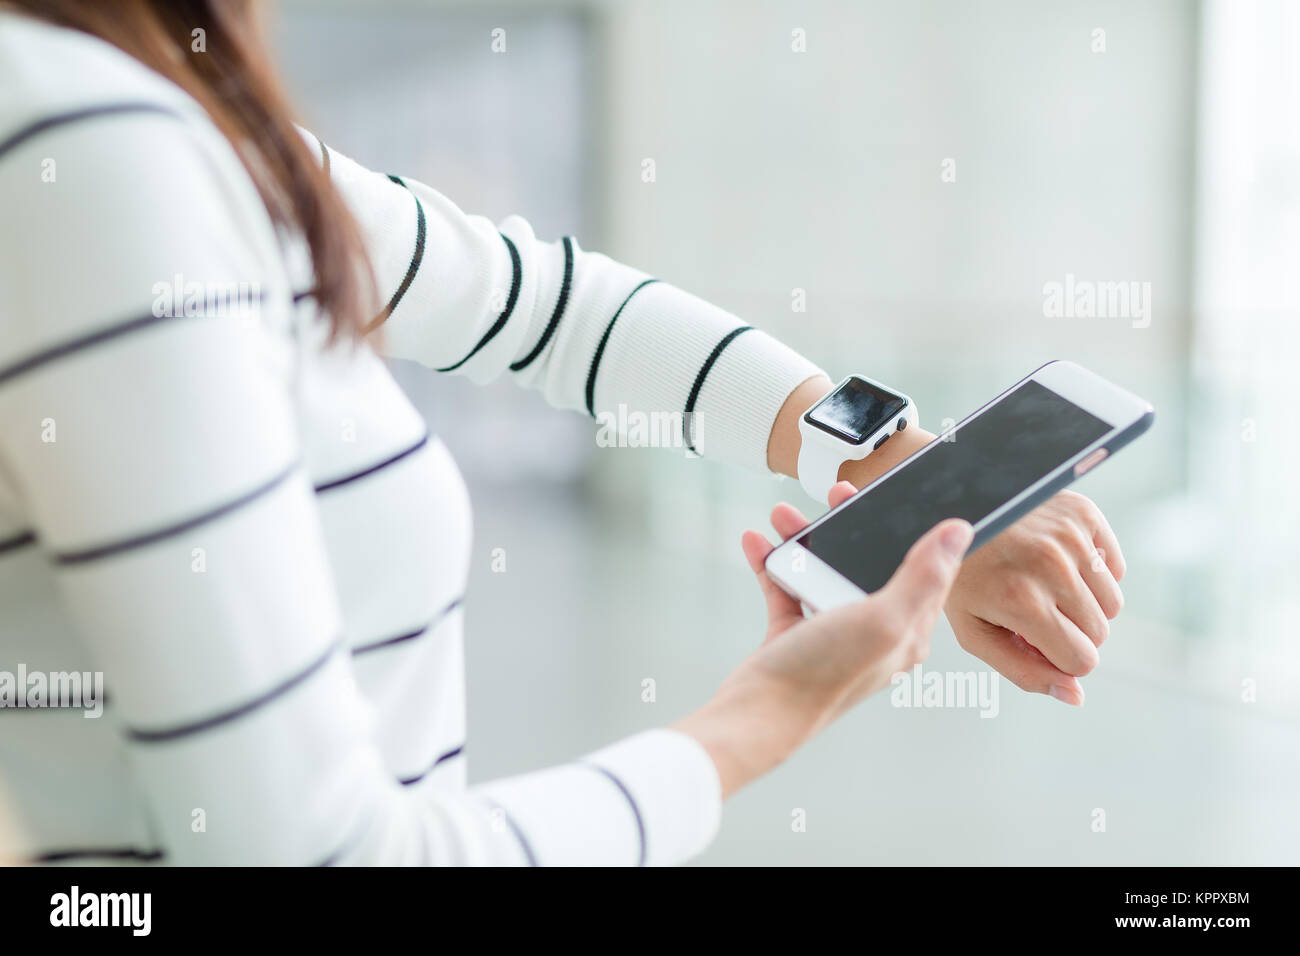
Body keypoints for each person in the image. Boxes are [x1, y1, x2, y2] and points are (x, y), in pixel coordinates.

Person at [0, 1, 1125, 865]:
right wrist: (767, 712)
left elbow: (540, 306)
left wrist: (896, 469)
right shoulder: (89, 143)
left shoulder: (163, 120)